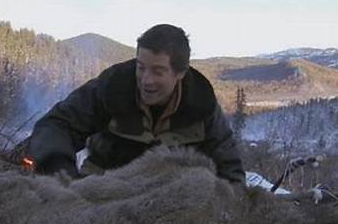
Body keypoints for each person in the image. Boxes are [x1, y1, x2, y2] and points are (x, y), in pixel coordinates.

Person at [24, 24, 245, 186]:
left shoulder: (202, 106)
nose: (146, 80)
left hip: (167, 199)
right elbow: (56, 125)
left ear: (180, 73)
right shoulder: (110, 88)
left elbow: (229, 170)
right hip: (101, 187)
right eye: (141, 67)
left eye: (158, 71)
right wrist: (62, 175)